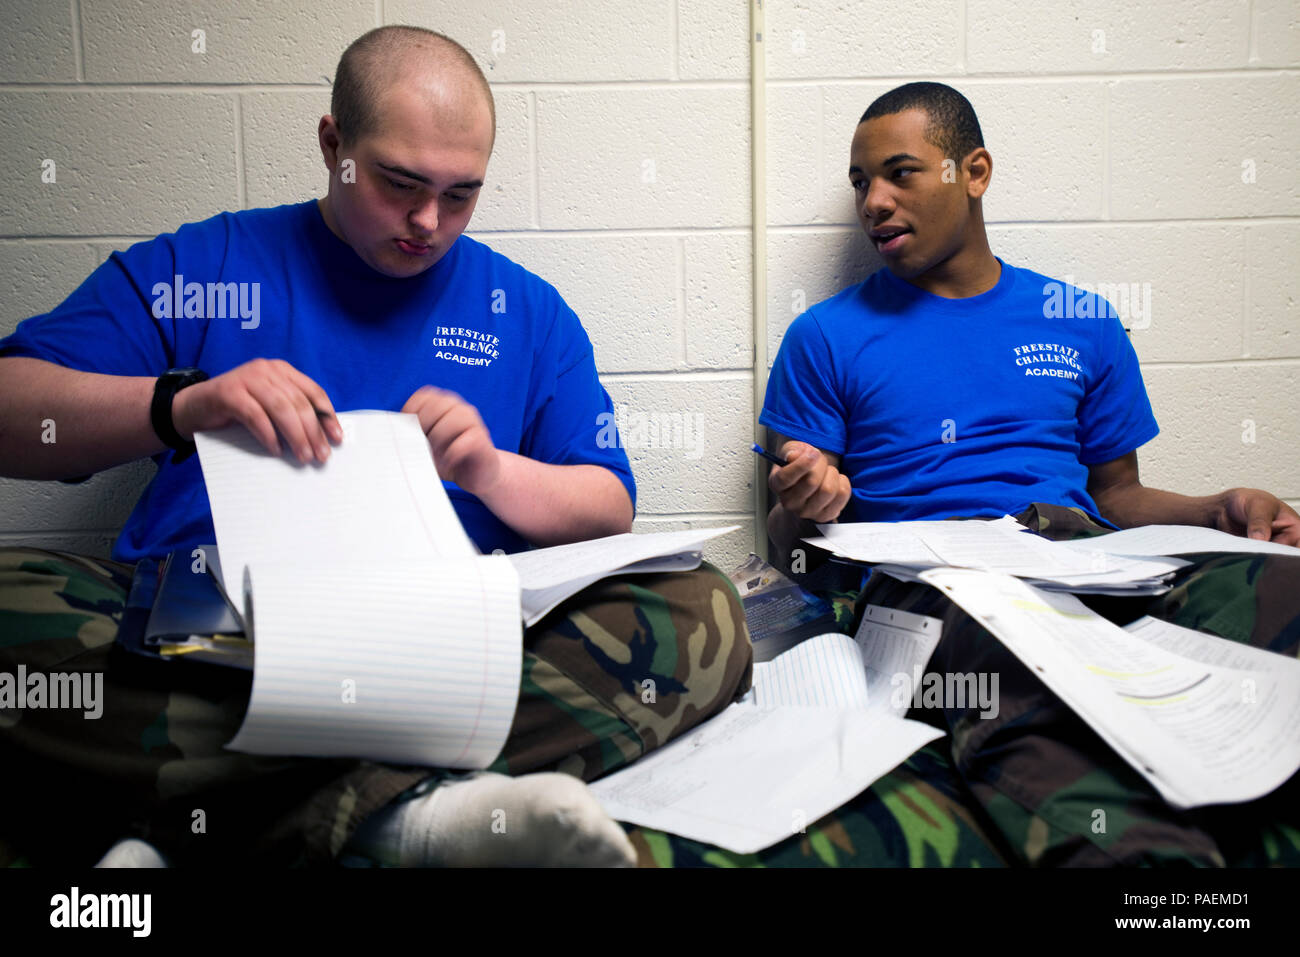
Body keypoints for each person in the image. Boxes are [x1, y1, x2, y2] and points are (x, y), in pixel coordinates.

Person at [0, 26, 751, 868]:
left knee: (698, 608)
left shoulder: (528, 312)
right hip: (210, 630)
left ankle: (199, 817)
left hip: (439, 645)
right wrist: (184, 404)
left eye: (461, 194)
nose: (429, 222)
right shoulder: (207, 262)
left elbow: (609, 507)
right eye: (400, 184)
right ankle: (410, 819)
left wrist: (489, 470)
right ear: (334, 146)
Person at [761, 81, 1300, 866]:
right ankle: (1166, 888)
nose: (873, 201)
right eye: (859, 182)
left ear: (972, 172)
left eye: (899, 173)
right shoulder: (825, 336)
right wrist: (805, 504)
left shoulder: (1079, 319)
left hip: (1079, 558)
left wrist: (1218, 509)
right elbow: (790, 552)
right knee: (1014, 666)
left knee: (1283, 587)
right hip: (935, 582)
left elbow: (1117, 495)